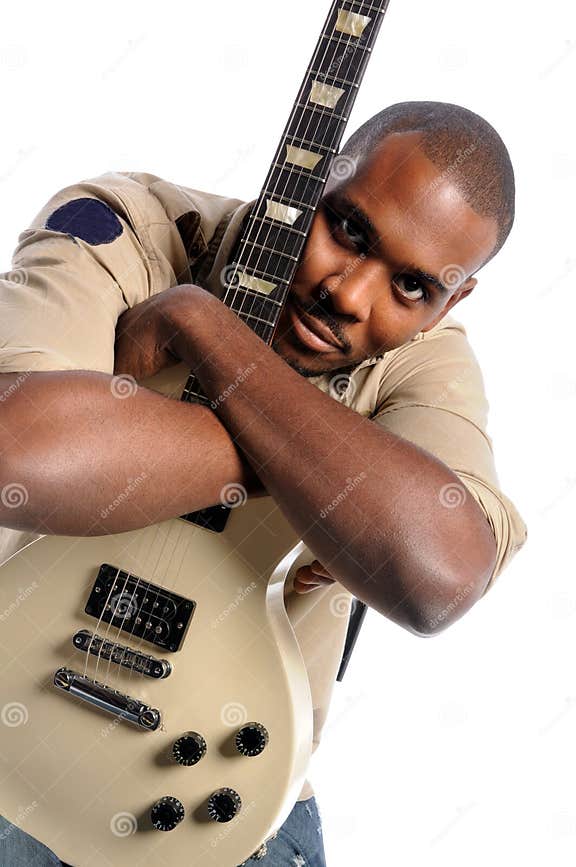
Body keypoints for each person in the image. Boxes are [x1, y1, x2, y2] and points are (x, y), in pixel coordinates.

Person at [0, 101, 527, 866]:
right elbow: (15, 451)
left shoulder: (427, 360)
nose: (350, 295)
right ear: (303, 175)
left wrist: (200, 325)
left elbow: (439, 574)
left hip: (222, 804)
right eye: (348, 230)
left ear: (455, 298)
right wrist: (330, 475)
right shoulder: (128, 226)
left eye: (413, 287)